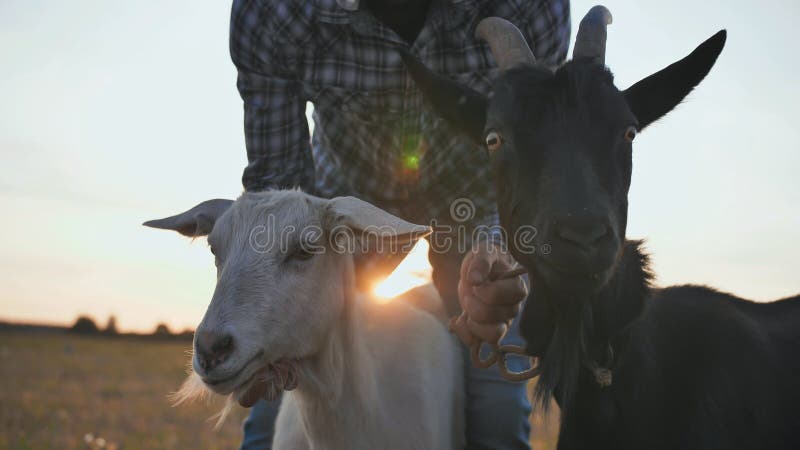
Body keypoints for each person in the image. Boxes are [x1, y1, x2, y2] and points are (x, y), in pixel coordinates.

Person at [229, 0, 570, 448]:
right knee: (269, 419)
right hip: (344, 216)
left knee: (497, 418)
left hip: (476, 210)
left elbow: (529, 171)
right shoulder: (275, 10)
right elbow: (278, 188)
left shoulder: (530, 7)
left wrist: (498, 251)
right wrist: (277, 308)